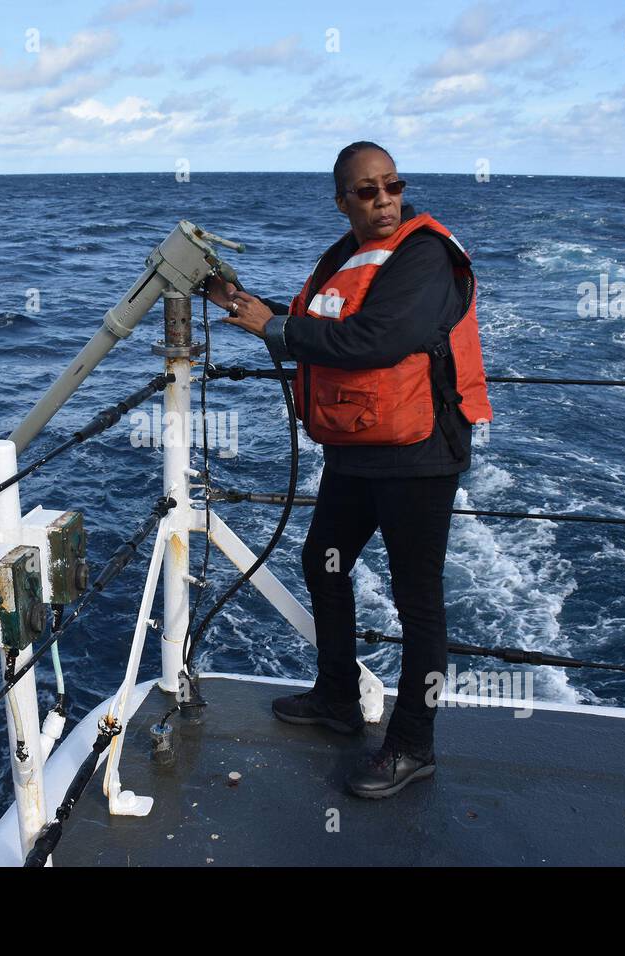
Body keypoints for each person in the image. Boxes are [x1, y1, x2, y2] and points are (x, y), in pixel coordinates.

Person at [204, 140, 492, 799]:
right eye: (368, 191)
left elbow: (375, 340)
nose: (385, 199)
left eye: (392, 185)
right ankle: (337, 697)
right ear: (343, 203)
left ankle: (414, 745)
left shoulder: (425, 256)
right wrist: (233, 296)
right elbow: (320, 318)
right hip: (360, 446)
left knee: (418, 601)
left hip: (420, 452)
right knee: (323, 559)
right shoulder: (345, 256)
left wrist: (270, 331)